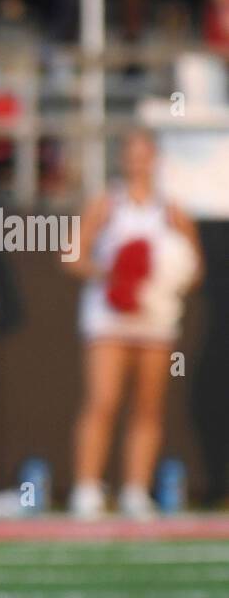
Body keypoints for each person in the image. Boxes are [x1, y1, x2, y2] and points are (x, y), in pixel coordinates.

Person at [66, 129, 203, 519]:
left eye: (145, 154)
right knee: (102, 400)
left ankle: (135, 490)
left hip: (155, 321)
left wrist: (161, 278)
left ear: (156, 159)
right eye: (131, 154)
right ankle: (88, 488)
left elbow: (194, 270)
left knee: (148, 406)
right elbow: (71, 256)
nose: (138, 161)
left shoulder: (173, 210)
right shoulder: (106, 204)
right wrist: (114, 273)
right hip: (108, 317)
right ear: (122, 159)